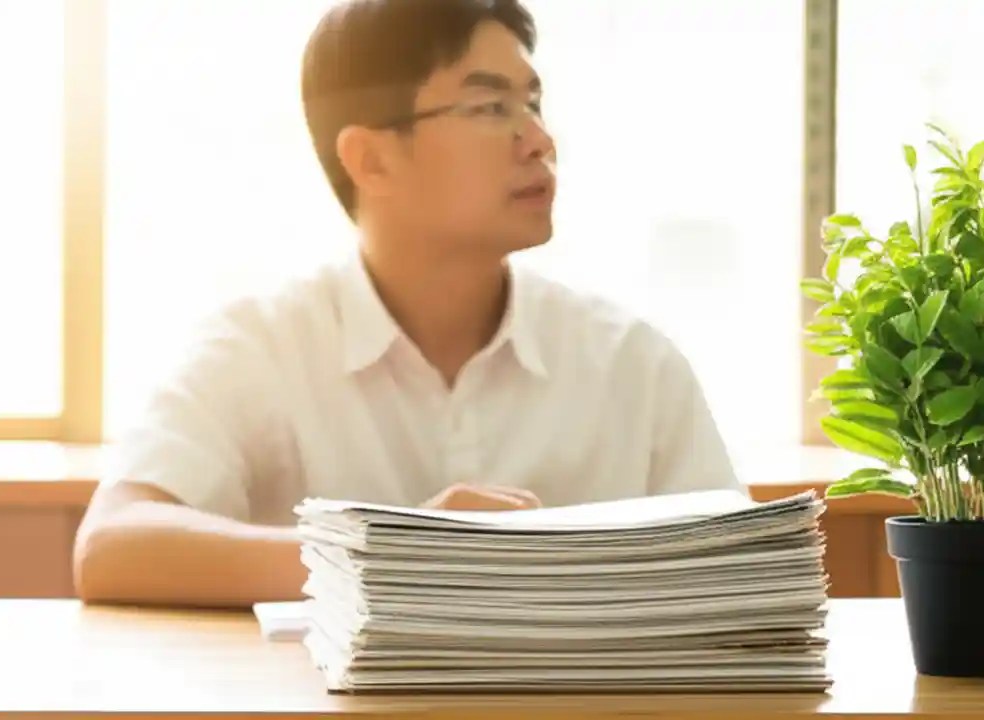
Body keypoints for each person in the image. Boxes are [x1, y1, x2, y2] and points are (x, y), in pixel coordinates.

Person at [74, 0, 740, 607]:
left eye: (533, 102)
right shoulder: (262, 345)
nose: (539, 139)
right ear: (370, 160)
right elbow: (113, 545)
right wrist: (387, 552)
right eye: (489, 108)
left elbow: (741, 572)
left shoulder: (632, 363)